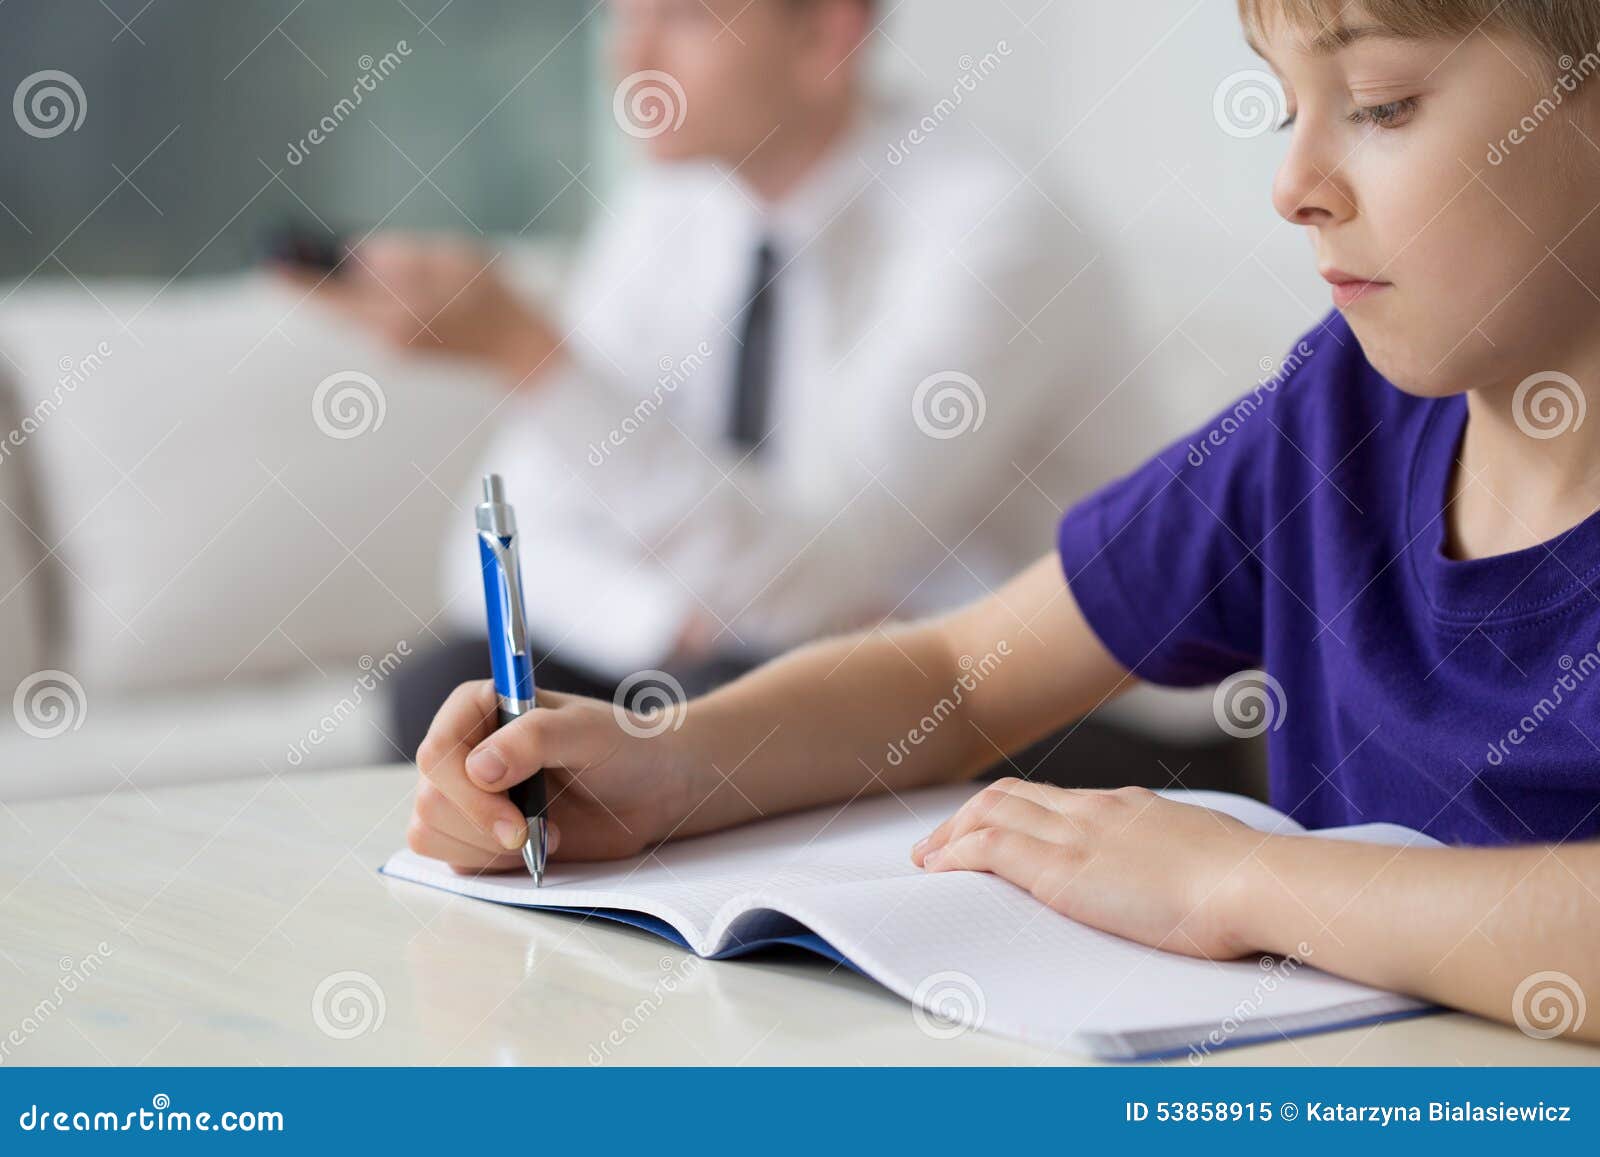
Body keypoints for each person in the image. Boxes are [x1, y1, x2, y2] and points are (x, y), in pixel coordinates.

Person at [403, 0, 1600, 1041]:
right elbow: (961, 670)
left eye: (1382, 106)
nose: (1291, 187)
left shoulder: (991, 214)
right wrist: (673, 767)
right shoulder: (1331, 417)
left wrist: (1246, 879)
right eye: (1286, 108)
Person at [290, 0, 1134, 767]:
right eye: (619, 14)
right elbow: (498, 546)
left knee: (724, 710)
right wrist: (666, 624)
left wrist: (529, 355)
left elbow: (813, 582)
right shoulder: (670, 208)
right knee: (451, 688)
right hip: (766, 653)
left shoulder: (994, 228)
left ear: (826, 36)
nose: (628, 58)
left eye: (684, 16)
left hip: (1034, 703)